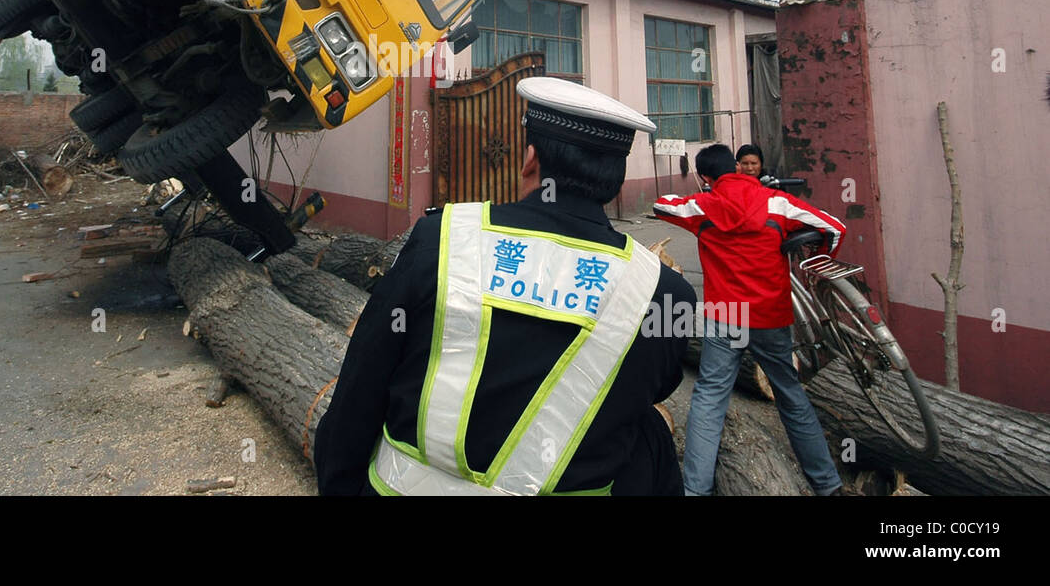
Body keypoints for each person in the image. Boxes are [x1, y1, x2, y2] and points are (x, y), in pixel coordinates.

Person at [314, 77, 696, 495]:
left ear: (530, 160)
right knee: (650, 434)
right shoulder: (664, 292)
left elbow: (363, 381)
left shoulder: (442, 238)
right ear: (614, 182)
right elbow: (655, 387)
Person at [653, 143, 848, 496]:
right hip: (771, 313)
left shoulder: (702, 206)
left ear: (705, 178)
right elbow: (834, 228)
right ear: (739, 168)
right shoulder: (776, 202)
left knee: (710, 396)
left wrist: (704, 193)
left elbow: (661, 204)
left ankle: (695, 490)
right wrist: (818, 264)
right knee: (790, 393)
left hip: (726, 313)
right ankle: (827, 484)